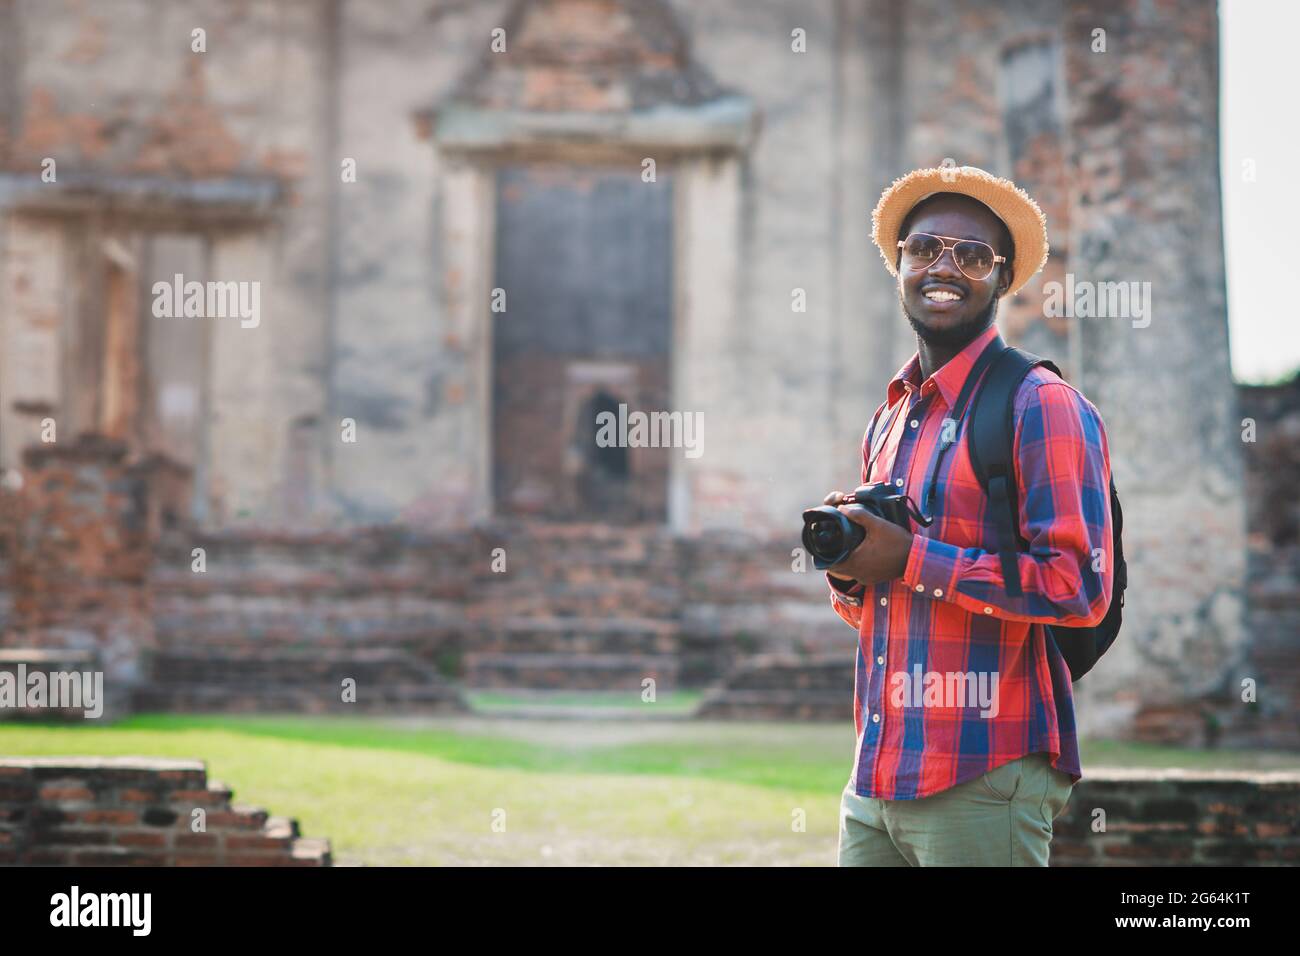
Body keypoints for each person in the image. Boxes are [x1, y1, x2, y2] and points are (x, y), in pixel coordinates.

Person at [824, 165, 1114, 866]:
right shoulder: (892, 414)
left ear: (1003, 277)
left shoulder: (1040, 404)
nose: (942, 267)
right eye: (923, 249)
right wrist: (852, 572)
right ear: (899, 265)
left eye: (972, 254)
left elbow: (1078, 587)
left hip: (984, 771)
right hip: (878, 774)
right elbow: (885, 609)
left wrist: (910, 558)